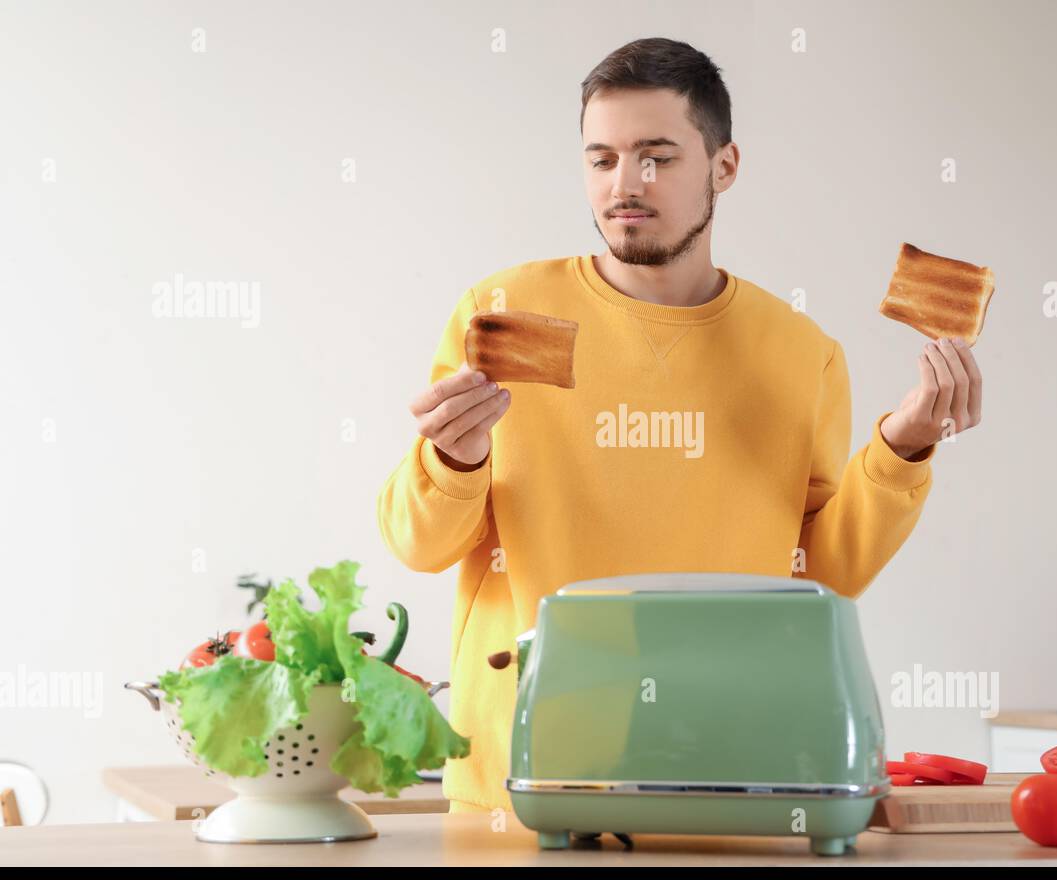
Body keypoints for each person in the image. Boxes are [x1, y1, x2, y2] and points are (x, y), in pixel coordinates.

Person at [377, 37, 984, 813]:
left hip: (728, 762)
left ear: (724, 167)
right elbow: (418, 545)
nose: (625, 185)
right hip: (522, 775)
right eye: (602, 160)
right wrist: (454, 463)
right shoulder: (500, 313)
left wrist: (904, 447)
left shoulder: (802, 354)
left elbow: (817, 577)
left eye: (656, 156)